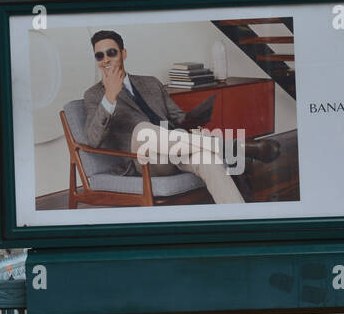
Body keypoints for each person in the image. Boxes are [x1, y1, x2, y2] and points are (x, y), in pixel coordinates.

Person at [82, 30, 246, 204]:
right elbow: (93, 140)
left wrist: (194, 123)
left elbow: (178, 117)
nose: (106, 59)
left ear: (123, 53)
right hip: (147, 161)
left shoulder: (151, 83)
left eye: (111, 53)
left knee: (209, 160)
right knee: (142, 129)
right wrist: (109, 97)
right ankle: (227, 147)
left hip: (178, 149)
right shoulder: (94, 95)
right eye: (99, 56)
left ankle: (242, 221)